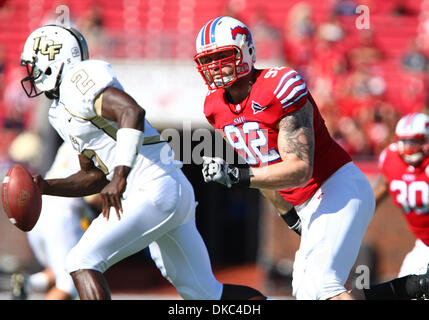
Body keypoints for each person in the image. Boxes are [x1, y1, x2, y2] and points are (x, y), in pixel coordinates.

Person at [19, 24, 266, 300]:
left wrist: (120, 176)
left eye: (34, 65)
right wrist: (43, 186)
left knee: (80, 260)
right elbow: (93, 176)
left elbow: (131, 111)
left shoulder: (78, 80)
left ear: (53, 59)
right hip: (167, 188)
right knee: (206, 294)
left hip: (152, 185)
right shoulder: (60, 110)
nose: (32, 73)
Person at [193, 16, 429, 300]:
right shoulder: (215, 107)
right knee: (307, 294)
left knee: (321, 288)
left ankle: (416, 287)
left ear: (246, 51)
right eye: (208, 59)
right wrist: (290, 217)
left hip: (336, 186)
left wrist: (236, 176)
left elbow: (299, 168)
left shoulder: (279, 86)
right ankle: (417, 287)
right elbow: (261, 164)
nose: (215, 67)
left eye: (223, 55)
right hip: (307, 204)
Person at [10, 142, 90, 300]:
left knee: (57, 269)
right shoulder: (99, 137)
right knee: (70, 284)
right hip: (63, 215)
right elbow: (97, 194)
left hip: (39, 211)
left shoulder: (70, 139)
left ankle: (30, 283)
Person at [373, 112, 429, 277]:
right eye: (404, 141)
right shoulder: (391, 158)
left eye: (414, 141)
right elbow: (383, 186)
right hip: (424, 242)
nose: (408, 147)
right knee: (405, 281)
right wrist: (361, 211)